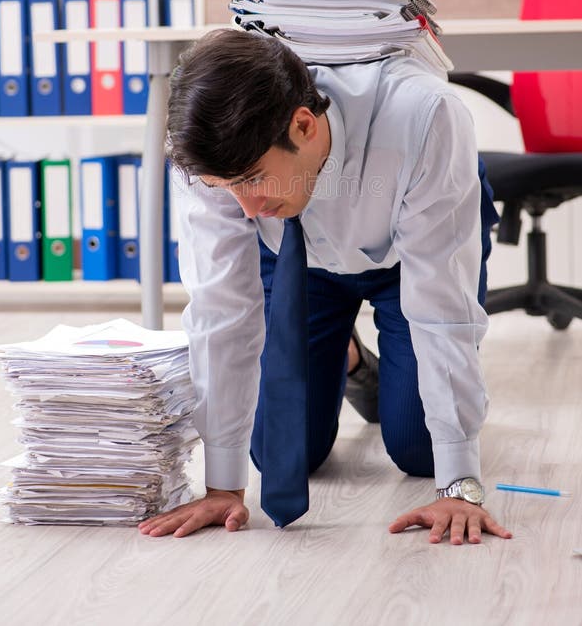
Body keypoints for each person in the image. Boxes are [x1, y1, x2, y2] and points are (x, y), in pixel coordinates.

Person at [139, 28, 513, 546]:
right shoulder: (208, 154)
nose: (245, 209)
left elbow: (441, 305)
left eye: (252, 178)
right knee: (282, 452)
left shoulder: (425, 117)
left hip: (409, 256)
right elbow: (221, 309)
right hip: (300, 263)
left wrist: (460, 484)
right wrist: (222, 485)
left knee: (419, 449)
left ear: (304, 125)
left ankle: (369, 368)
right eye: (227, 189)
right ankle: (351, 358)